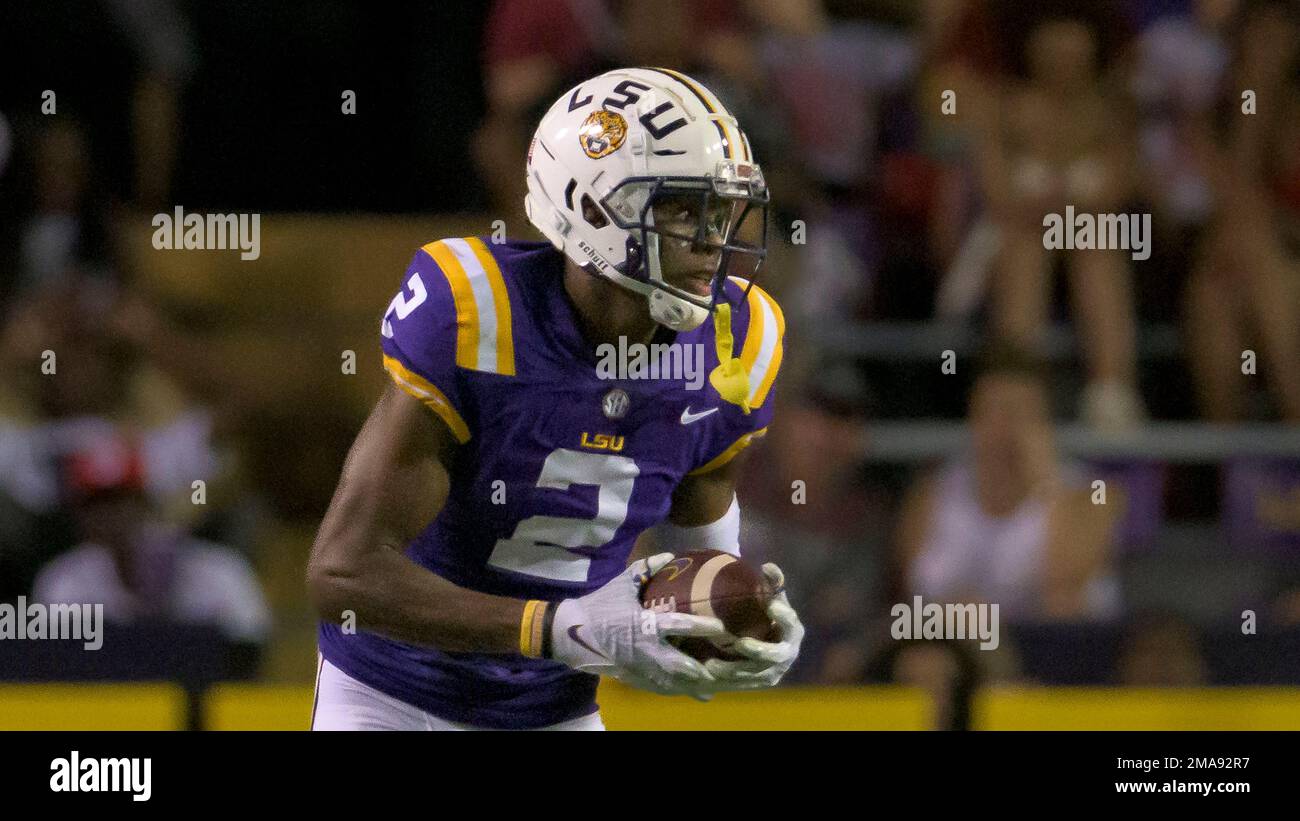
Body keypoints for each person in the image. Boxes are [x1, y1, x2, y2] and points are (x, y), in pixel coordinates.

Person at [307, 68, 804, 731]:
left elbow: (698, 551)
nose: (713, 238)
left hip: (555, 711)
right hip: (394, 697)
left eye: (720, 209)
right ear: (593, 207)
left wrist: (739, 615)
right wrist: (557, 626)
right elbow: (341, 575)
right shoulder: (480, 315)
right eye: (682, 207)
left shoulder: (735, 343)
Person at [895, 341, 1122, 621]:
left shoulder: (1094, 495)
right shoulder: (930, 495)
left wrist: (1048, 485)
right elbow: (908, 602)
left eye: (1018, 413)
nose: (1004, 430)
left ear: (1044, 422)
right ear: (973, 417)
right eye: (992, 411)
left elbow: (1064, 587)